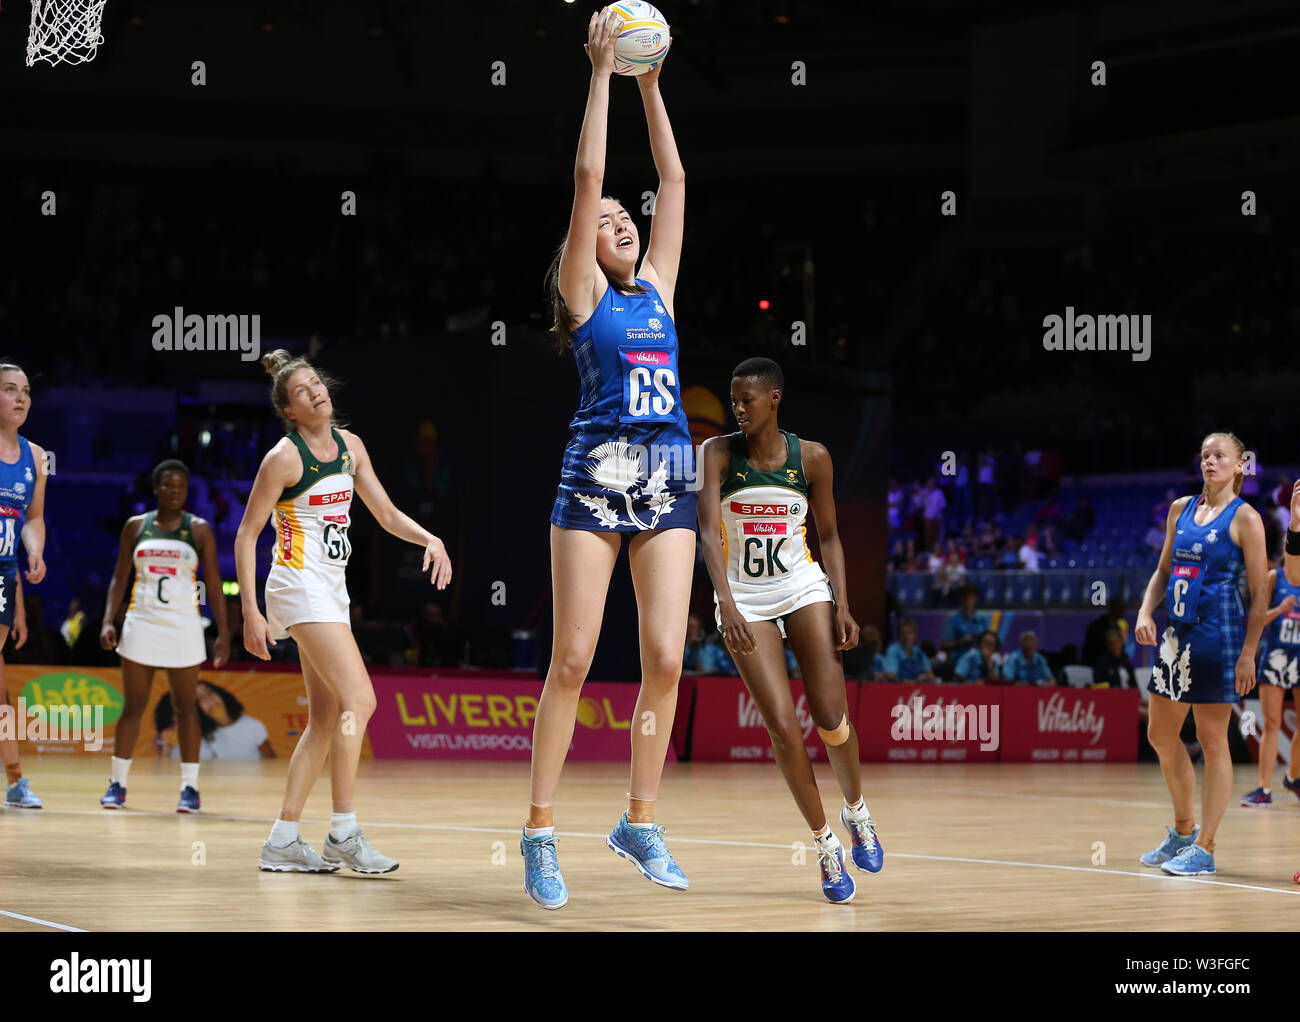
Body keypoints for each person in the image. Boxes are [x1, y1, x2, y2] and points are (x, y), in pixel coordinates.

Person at [524, 13, 694, 910]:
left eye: (631, 220)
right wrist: (599, 74)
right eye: (611, 221)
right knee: (575, 658)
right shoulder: (583, 292)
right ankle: (541, 832)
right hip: (595, 477)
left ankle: (638, 821)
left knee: (665, 658)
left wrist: (650, 86)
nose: (624, 219)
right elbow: (591, 176)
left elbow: (669, 177)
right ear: (583, 248)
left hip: (668, 480)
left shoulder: (659, 287)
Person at [236, 349, 452, 874]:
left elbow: (384, 512)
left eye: (317, 384)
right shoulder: (283, 459)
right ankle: (343, 832)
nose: (316, 392)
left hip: (331, 591)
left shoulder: (351, 447)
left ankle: (283, 839)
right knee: (362, 698)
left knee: (327, 718)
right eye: (302, 391)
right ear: (289, 411)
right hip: (296, 585)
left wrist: (431, 538)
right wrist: (249, 612)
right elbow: (247, 534)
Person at [699, 357, 881, 904]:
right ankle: (826, 847)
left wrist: (843, 603)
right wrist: (725, 604)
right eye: (733, 401)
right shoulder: (716, 454)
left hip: (802, 586)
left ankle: (858, 812)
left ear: (774, 398)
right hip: (745, 598)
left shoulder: (814, 458)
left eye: (746, 400)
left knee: (830, 716)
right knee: (782, 727)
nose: (738, 409)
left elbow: (828, 537)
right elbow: (708, 532)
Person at [1135, 432, 1267, 877]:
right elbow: (1163, 569)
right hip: (1176, 637)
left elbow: (1259, 593)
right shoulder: (1181, 509)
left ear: (1240, 465)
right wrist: (1144, 611)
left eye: (1220, 456)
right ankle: (1183, 832)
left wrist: (1249, 652)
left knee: (1213, 742)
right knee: (1160, 736)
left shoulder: (1246, 518)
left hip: (1219, 638)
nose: (1210, 462)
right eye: (1205, 455)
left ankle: (1206, 848)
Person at [99, 459, 230, 811]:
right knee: (133, 707)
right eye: (169, 485)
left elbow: (214, 584)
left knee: (186, 708)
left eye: (181, 486)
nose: (175, 491)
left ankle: (190, 789)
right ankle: (117, 784)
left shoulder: (199, 529)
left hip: (184, 626)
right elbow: (119, 578)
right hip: (141, 624)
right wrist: (108, 620)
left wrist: (224, 632)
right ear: (156, 488)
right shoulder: (135, 527)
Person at [0, 362, 48, 809]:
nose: (20, 398)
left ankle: (15, 781)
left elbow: (32, 519)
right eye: (10, 390)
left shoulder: (35, 457)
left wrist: (34, 551)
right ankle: (14, 780)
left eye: (26, 391)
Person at [1239, 567, 1300, 807]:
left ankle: (1293, 777)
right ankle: (1264, 789)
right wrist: (1280, 609)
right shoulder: (1276, 577)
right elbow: (1257, 619)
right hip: (1276, 658)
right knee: (1272, 723)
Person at [154, 680, 275, 760]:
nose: (209, 699)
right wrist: (165, 746)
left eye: (209, 693)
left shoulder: (252, 725)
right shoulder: (203, 734)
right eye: (200, 699)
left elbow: (271, 760)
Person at [940, 585, 988, 661]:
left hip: (979, 660)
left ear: (976, 599)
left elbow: (988, 639)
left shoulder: (982, 619)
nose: (970, 600)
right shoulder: (953, 620)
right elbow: (944, 645)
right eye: (967, 597)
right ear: (962, 599)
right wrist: (961, 641)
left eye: (972, 597)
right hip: (959, 660)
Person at [881, 617, 935, 682]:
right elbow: (891, 675)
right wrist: (911, 681)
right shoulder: (893, 651)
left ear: (915, 635)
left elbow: (930, 675)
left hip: (918, 689)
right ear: (898, 635)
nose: (906, 636)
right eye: (903, 633)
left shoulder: (919, 653)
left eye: (909, 633)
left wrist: (925, 676)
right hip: (899, 688)